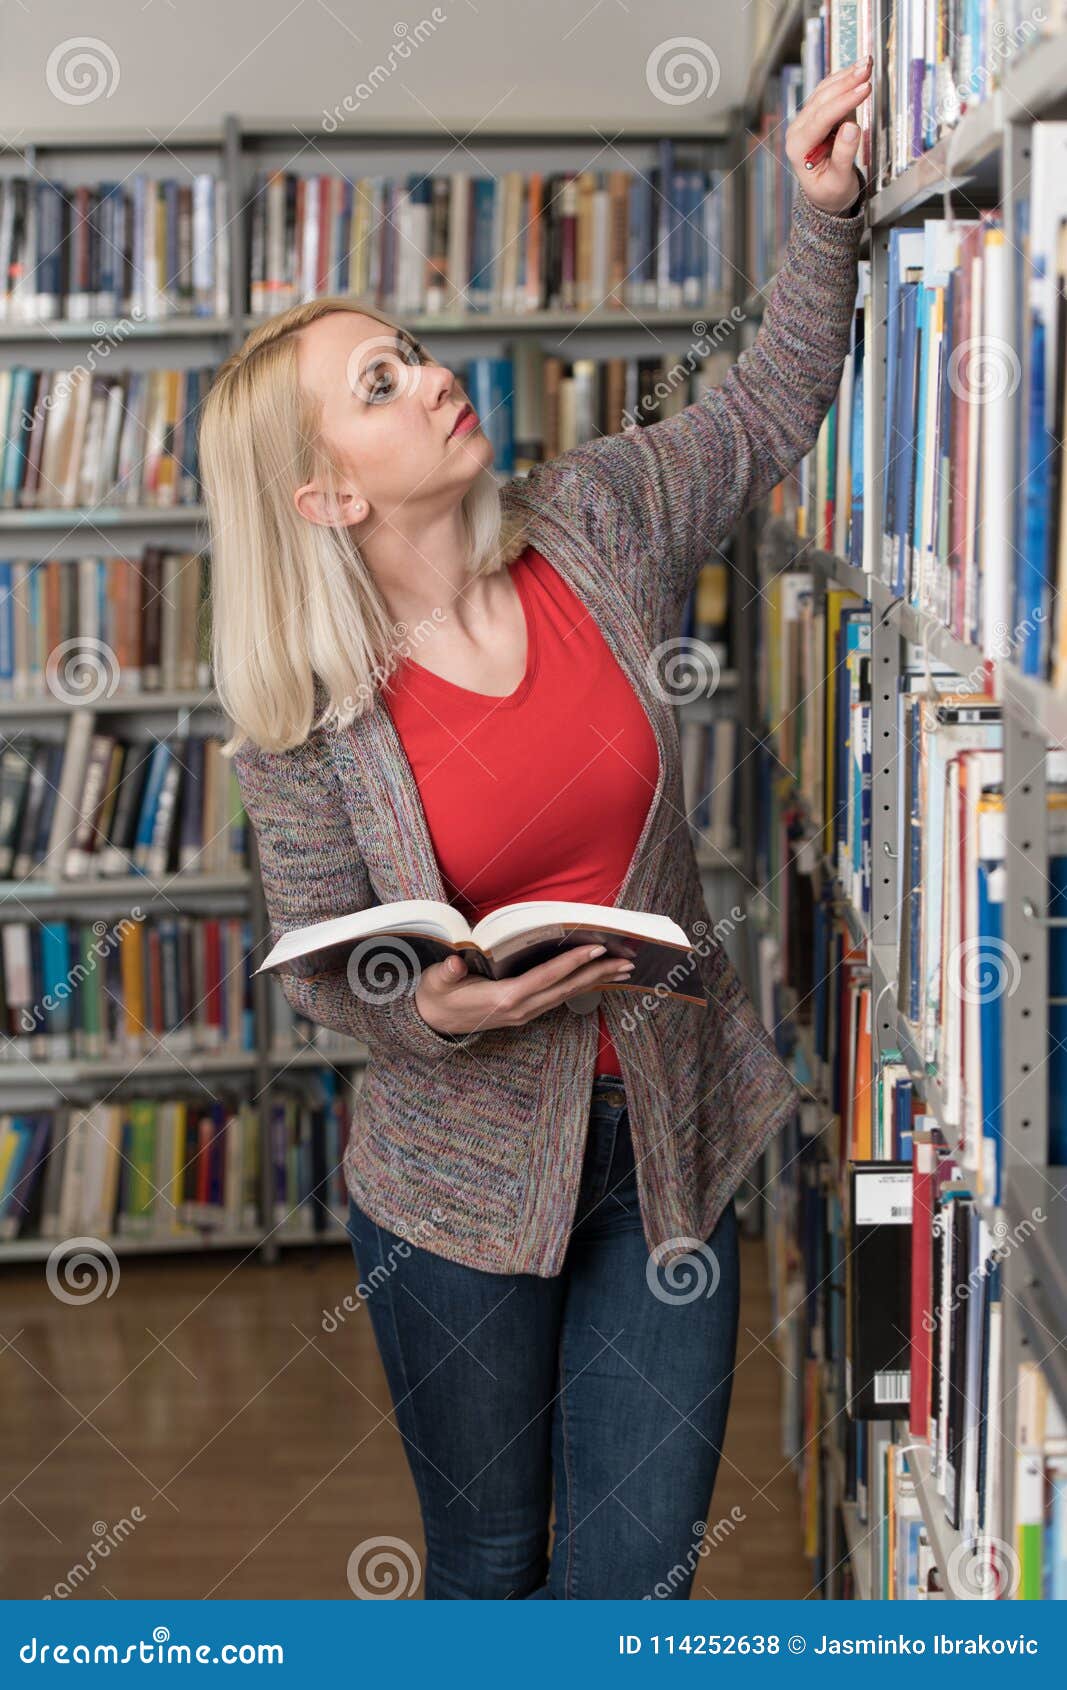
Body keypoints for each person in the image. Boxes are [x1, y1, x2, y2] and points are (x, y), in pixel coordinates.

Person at [200, 58, 871, 1599]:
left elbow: (767, 404)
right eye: (380, 386)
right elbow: (325, 962)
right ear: (323, 497)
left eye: (412, 353)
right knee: (491, 1563)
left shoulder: (599, 519)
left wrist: (823, 214)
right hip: (455, 1182)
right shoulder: (302, 713)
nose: (433, 378)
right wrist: (428, 1006)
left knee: (638, 1583)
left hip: (669, 1146)